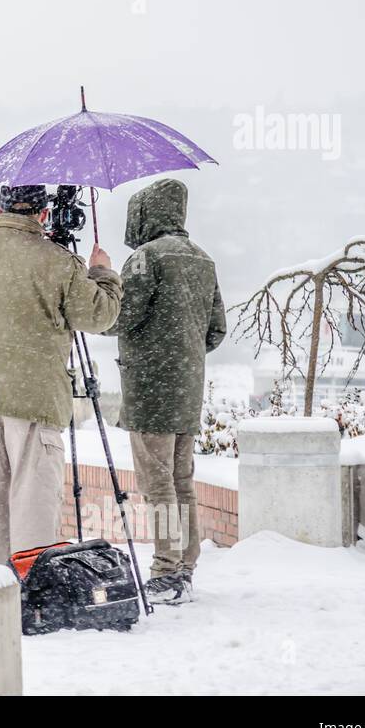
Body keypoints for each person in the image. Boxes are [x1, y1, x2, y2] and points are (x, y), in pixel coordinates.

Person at [0, 184, 122, 565]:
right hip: (33, 396)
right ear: (44, 215)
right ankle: (32, 590)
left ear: (0, 209)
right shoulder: (58, 261)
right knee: (31, 495)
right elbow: (100, 316)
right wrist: (103, 272)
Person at [107, 177, 226, 605]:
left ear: (143, 215)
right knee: (181, 480)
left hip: (149, 388)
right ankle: (186, 565)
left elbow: (118, 318)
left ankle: (165, 571)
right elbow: (216, 330)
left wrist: (102, 280)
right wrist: (184, 352)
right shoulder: (202, 260)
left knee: (157, 484)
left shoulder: (144, 259)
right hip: (186, 388)